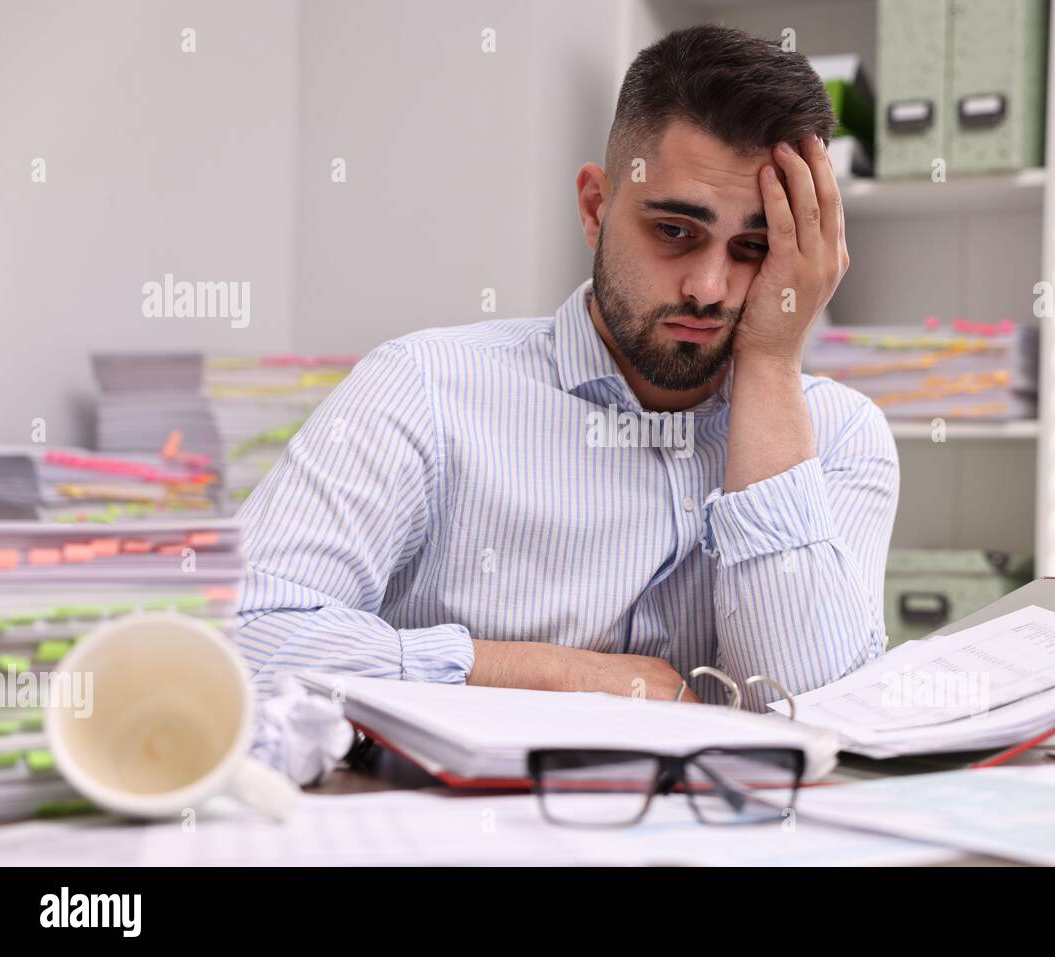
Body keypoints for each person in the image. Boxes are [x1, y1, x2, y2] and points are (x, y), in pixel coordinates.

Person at [236, 24, 898, 712]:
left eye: (754, 246)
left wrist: (769, 362)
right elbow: (241, 638)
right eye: (675, 232)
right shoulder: (423, 389)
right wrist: (553, 673)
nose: (708, 286)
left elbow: (817, 710)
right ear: (594, 207)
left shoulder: (841, 437)